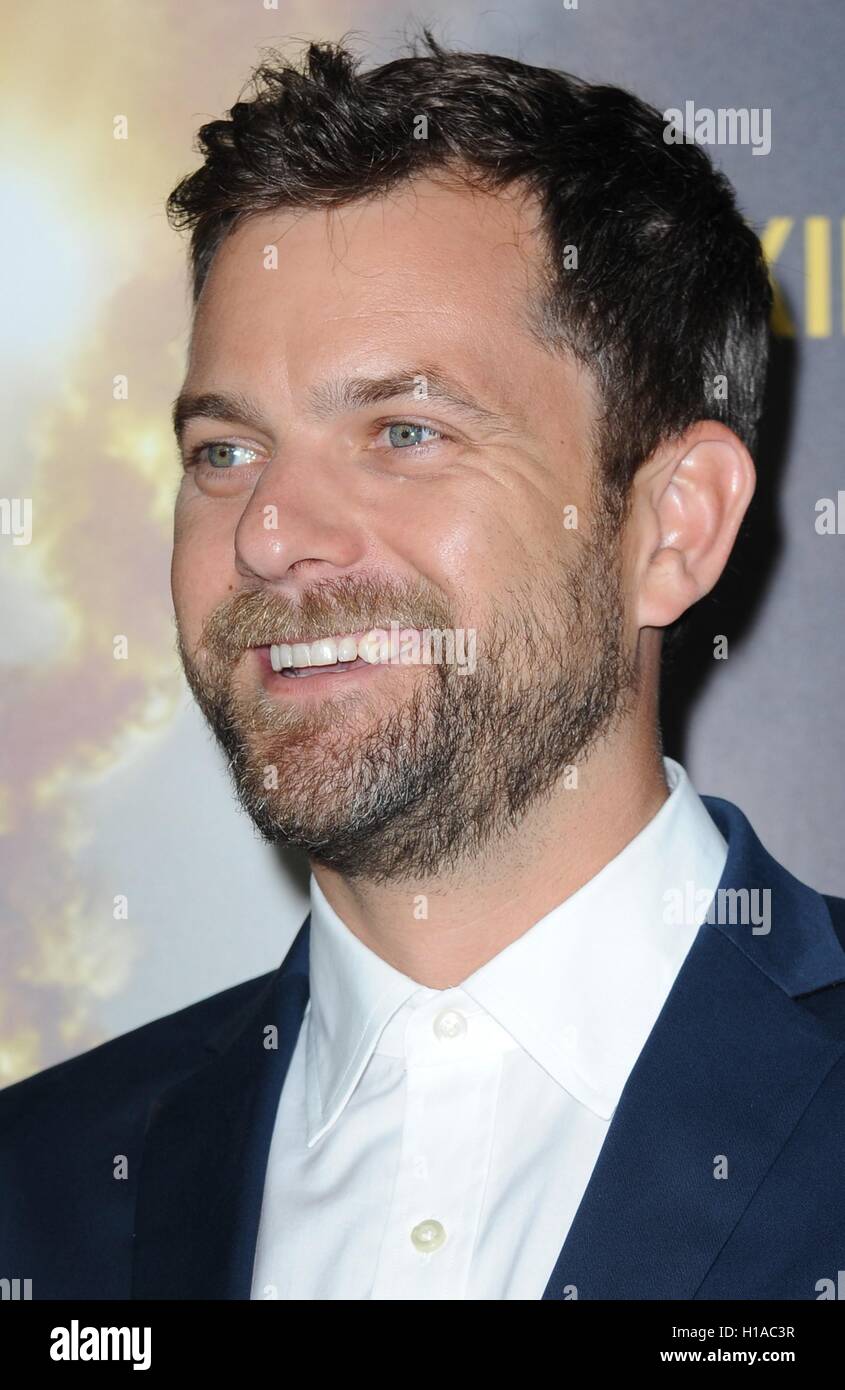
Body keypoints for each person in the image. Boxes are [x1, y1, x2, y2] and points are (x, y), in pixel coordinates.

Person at [2, 33, 844, 1302]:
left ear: (669, 527)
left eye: (404, 431)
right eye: (225, 452)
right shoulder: (39, 1186)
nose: (269, 533)